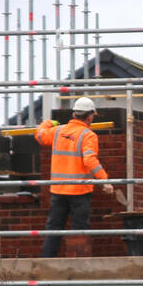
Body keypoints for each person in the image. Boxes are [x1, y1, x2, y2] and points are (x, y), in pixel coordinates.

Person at [35, 97, 113, 257]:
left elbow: (40, 135)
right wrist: (105, 181)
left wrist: (49, 122)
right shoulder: (88, 135)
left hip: (58, 189)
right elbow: (90, 160)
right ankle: (78, 268)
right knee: (79, 231)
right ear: (90, 116)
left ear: (74, 114)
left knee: (54, 229)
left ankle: (46, 264)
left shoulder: (58, 131)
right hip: (79, 191)